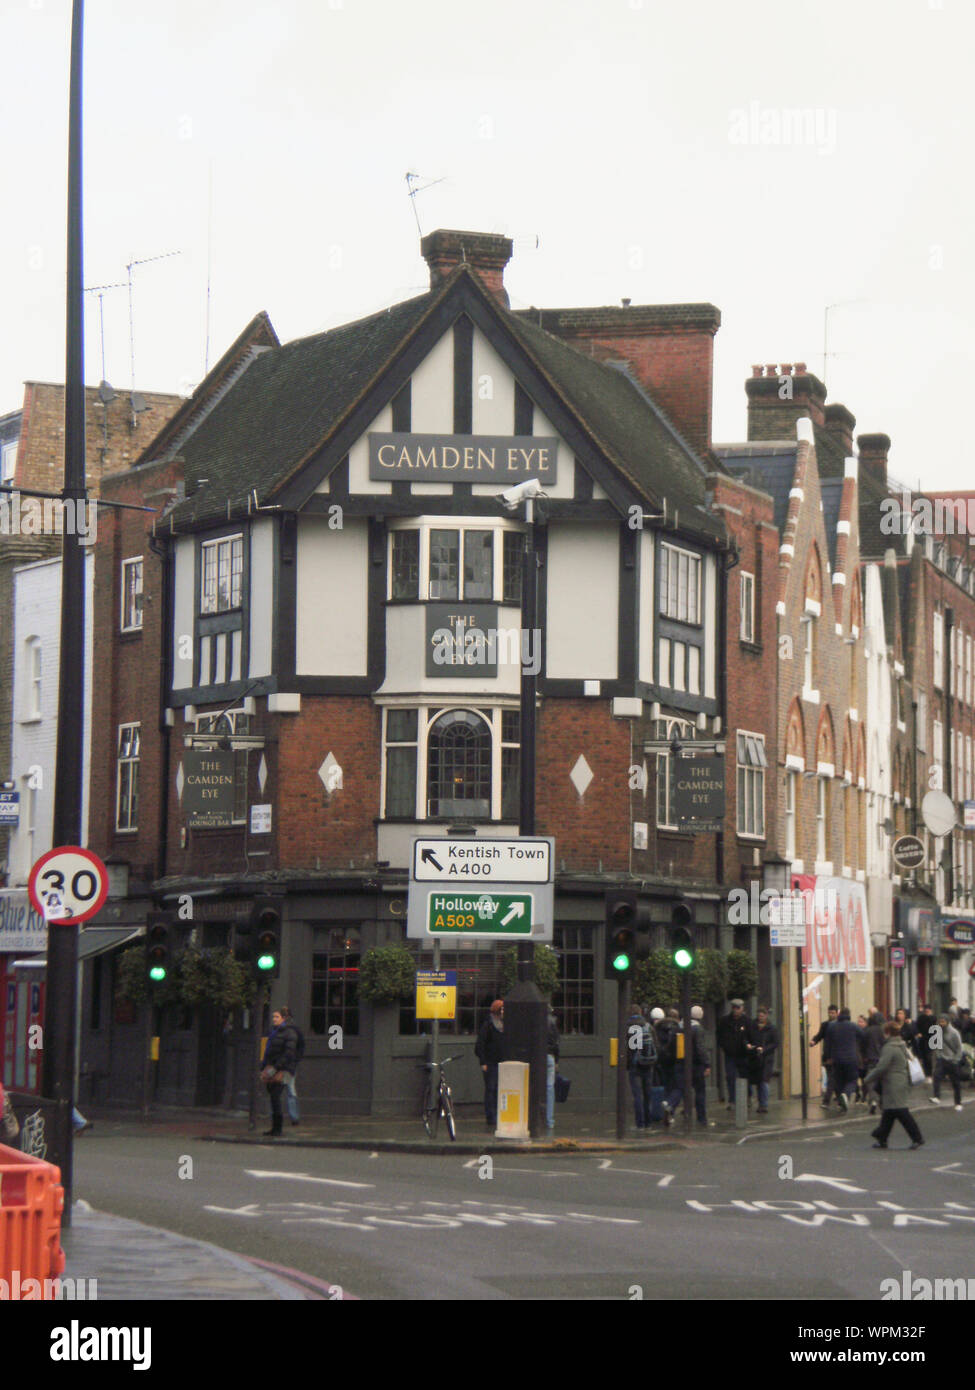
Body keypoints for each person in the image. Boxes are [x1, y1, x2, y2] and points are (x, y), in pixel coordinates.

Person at [865, 1020, 925, 1150]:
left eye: (884, 1033)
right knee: (889, 1112)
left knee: (901, 1112)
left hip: (893, 1083)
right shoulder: (902, 1045)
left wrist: (868, 1079)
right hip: (901, 1081)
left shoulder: (890, 1048)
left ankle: (917, 1137)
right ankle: (882, 1139)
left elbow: (881, 1067)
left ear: (887, 1033)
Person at [662, 1007, 711, 1127]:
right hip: (696, 1065)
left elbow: (670, 1046)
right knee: (700, 1091)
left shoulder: (678, 1027)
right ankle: (702, 1119)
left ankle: (670, 1104)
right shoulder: (697, 1029)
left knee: (680, 1088)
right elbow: (700, 1048)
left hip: (679, 1063)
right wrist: (707, 1063)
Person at [261, 1007, 300, 1138]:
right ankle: (275, 1127)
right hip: (274, 1067)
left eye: (276, 1017)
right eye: (273, 1017)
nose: (274, 1019)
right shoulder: (274, 1032)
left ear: (283, 1018)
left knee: (278, 1096)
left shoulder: (290, 1033)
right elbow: (268, 1051)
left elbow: (289, 1053)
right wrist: (264, 1066)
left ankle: (279, 1127)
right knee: (273, 1096)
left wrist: (276, 1068)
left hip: (284, 1070)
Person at [475, 999, 505, 1129]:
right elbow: (480, 1045)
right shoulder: (488, 1025)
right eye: (502, 1009)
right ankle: (491, 1116)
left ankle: (499, 1114)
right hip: (491, 1062)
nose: (504, 1012)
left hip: (502, 1062)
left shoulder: (505, 1025)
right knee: (491, 1089)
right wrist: (483, 1061)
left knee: (500, 1089)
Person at [626, 1006, 657, 1131]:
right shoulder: (648, 1027)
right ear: (641, 1013)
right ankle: (648, 1122)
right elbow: (656, 1044)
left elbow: (629, 1048)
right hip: (648, 1064)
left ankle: (640, 1123)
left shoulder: (629, 1027)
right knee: (647, 1093)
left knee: (637, 1095)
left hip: (635, 1064)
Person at [716, 998, 750, 1110]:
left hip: (744, 1054)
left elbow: (752, 1035)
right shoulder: (725, 1021)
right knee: (730, 1077)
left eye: (738, 1008)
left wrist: (749, 1047)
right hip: (730, 1054)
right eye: (734, 1008)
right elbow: (719, 1035)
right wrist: (724, 1046)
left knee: (745, 1076)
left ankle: (747, 1097)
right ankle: (732, 1100)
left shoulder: (747, 1021)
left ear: (742, 1008)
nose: (736, 1010)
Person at [826, 1007, 860, 1113]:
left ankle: (841, 1103)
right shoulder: (853, 1026)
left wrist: (828, 1057)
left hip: (836, 1058)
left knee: (839, 1080)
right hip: (851, 1058)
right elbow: (863, 1036)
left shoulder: (832, 1026)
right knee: (852, 1080)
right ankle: (845, 1095)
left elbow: (828, 1043)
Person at [745, 1006, 778, 1113]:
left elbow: (775, 1043)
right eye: (759, 1016)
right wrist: (748, 1045)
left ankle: (763, 1104)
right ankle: (752, 1100)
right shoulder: (752, 1026)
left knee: (763, 1081)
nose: (760, 1018)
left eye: (762, 1016)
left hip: (766, 1059)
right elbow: (746, 1038)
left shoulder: (771, 1028)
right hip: (754, 1058)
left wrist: (764, 1049)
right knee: (753, 1081)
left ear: (766, 1016)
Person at [930, 1011, 964, 1111]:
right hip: (942, 1059)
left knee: (955, 1082)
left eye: (943, 1022)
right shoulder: (938, 1031)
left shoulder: (954, 1033)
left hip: (953, 1060)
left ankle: (958, 1102)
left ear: (948, 1022)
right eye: (940, 1021)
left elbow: (959, 1047)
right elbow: (937, 1045)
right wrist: (938, 1055)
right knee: (936, 1076)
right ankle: (937, 1096)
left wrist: (956, 1059)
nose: (941, 1024)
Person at [279, 1006, 304, 1126]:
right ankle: (293, 1116)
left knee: (287, 1089)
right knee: (290, 1089)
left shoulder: (286, 1030)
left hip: (286, 1064)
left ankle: (292, 1116)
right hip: (288, 1063)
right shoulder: (294, 1029)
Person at [810, 1003, 839, 1108]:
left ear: (837, 1013)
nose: (831, 1015)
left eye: (833, 1013)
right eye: (829, 1013)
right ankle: (840, 1099)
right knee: (833, 1079)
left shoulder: (840, 1025)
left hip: (837, 1056)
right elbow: (819, 1035)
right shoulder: (825, 1025)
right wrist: (814, 1041)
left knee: (832, 1079)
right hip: (827, 1055)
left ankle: (826, 1101)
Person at [860, 1010, 886, 1115]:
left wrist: (864, 1056)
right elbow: (885, 1044)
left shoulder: (867, 1031)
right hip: (881, 1059)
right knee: (882, 1082)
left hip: (870, 1059)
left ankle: (873, 1101)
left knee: (871, 1082)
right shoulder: (882, 1031)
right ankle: (883, 1103)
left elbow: (862, 1045)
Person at [546, 1005, 560, 1132]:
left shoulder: (534, 1021)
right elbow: (556, 1043)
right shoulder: (552, 1023)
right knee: (550, 1088)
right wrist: (557, 1060)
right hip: (550, 1056)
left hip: (536, 1057)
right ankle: (549, 1120)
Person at [914, 1003, 937, 1079]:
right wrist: (918, 1033)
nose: (927, 1010)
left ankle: (929, 1074)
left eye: (928, 1009)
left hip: (931, 1040)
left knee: (929, 1057)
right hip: (923, 1040)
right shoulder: (921, 1018)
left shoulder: (934, 1018)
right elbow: (916, 1027)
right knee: (923, 1057)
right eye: (926, 1009)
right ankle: (926, 1073)